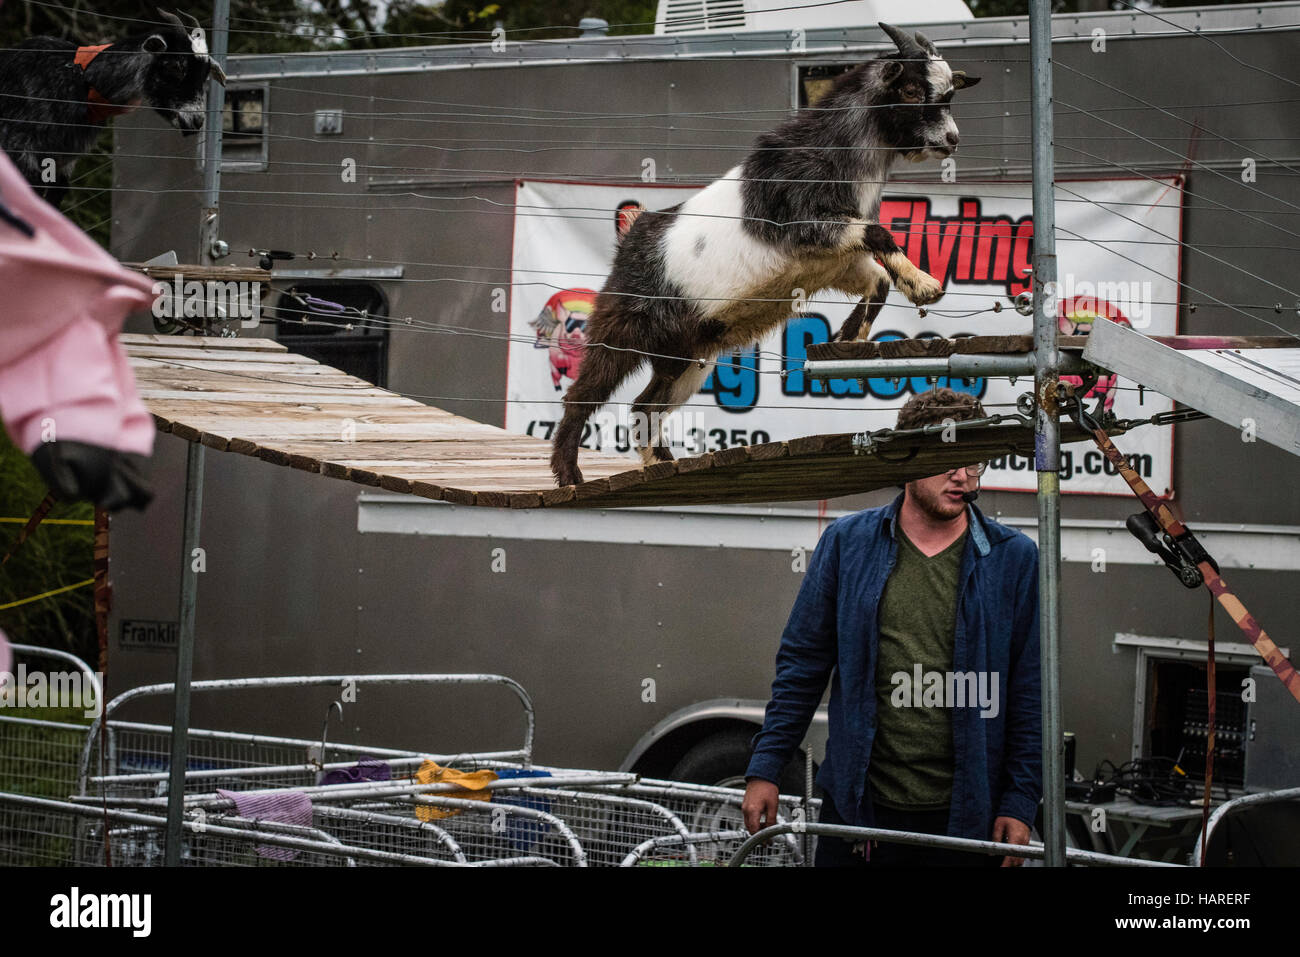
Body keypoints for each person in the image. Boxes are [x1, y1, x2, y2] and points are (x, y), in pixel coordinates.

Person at [741, 388, 1042, 867]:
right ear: (906, 458)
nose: (962, 476)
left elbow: (1031, 692)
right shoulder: (848, 544)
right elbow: (803, 664)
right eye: (947, 460)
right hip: (859, 814)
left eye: (973, 461)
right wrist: (766, 767)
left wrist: (1020, 800)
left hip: (963, 822)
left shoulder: (1014, 559)